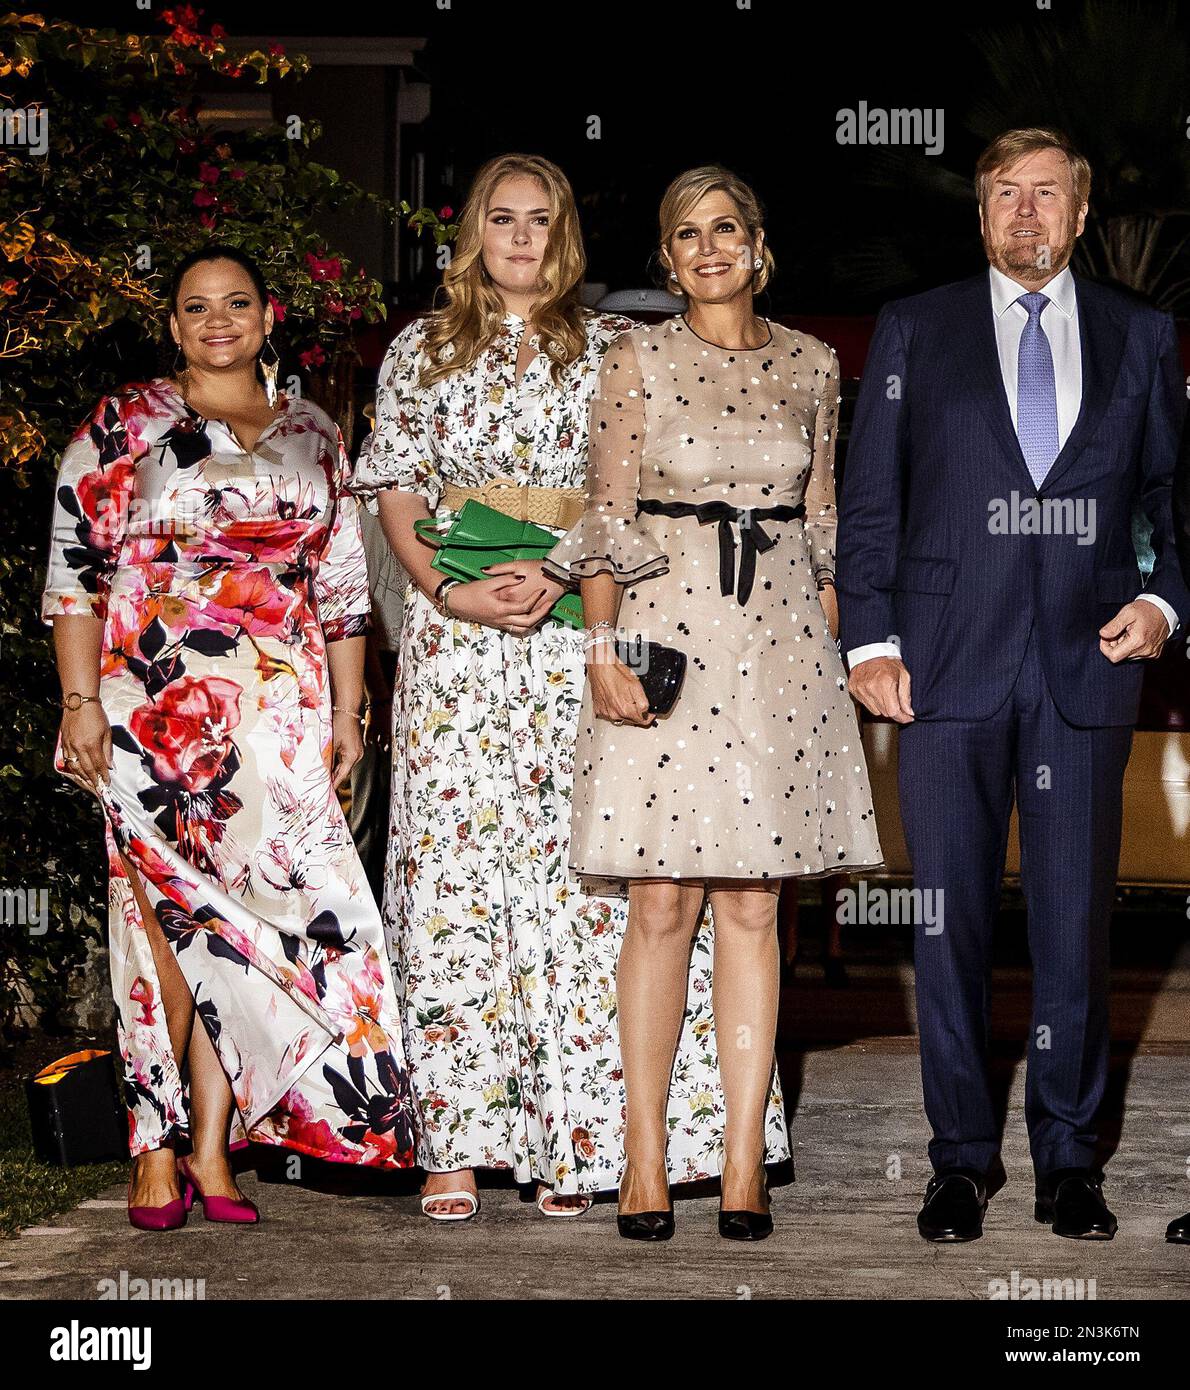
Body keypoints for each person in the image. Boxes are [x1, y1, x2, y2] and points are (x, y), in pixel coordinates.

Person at [352, 153, 787, 1222]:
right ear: (471, 231)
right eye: (500, 218)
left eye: (540, 220)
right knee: (452, 879)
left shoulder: (611, 347)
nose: (520, 236)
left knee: (584, 888)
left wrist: (553, 578)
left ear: (566, 235)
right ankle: (451, 1141)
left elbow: (632, 493)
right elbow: (396, 486)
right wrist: (446, 600)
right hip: (459, 643)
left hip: (578, 638)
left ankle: (577, 1137)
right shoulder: (420, 346)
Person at [838, 128, 1189, 1243]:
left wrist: (1163, 602)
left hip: (1086, 668)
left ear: (1080, 214)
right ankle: (956, 1160)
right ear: (979, 210)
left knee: (1073, 929)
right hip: (941, 669)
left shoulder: (1141, 337)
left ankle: (1068, 1159)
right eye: (1004, 193)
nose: (1024, 212)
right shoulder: (914, 329)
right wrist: (867, 644)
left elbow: (1174, 505)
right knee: (944, 926)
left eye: (1046, 194)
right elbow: (871, 503)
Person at [41, 245, 416, 1230]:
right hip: (146, 711)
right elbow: (73, 574)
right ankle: (153, 1147)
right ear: (172, 324)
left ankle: (216, 1149)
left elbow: (340, 595)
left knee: (253, 933)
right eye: (196, 306)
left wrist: (346, 714)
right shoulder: (120, 425)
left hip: (275, 720)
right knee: (159, 925)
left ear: (266, 315)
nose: (217, 320)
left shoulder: (313, 431)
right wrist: (79, 703)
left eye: (235, 303)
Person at [543, 165, 883, 1240]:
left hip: (779, 646)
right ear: (665, 255)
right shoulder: (631, 358)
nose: (706, 249)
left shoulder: (814, 365)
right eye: (684, 235)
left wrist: (837, 651)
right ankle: (644, 1160)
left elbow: (824, 520)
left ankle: (741, 1163)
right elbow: (603, 516)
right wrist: (602, 649)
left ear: (756, 241)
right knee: (661, 902)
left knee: (752, 905)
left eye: (723, 228)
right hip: (665, 632)